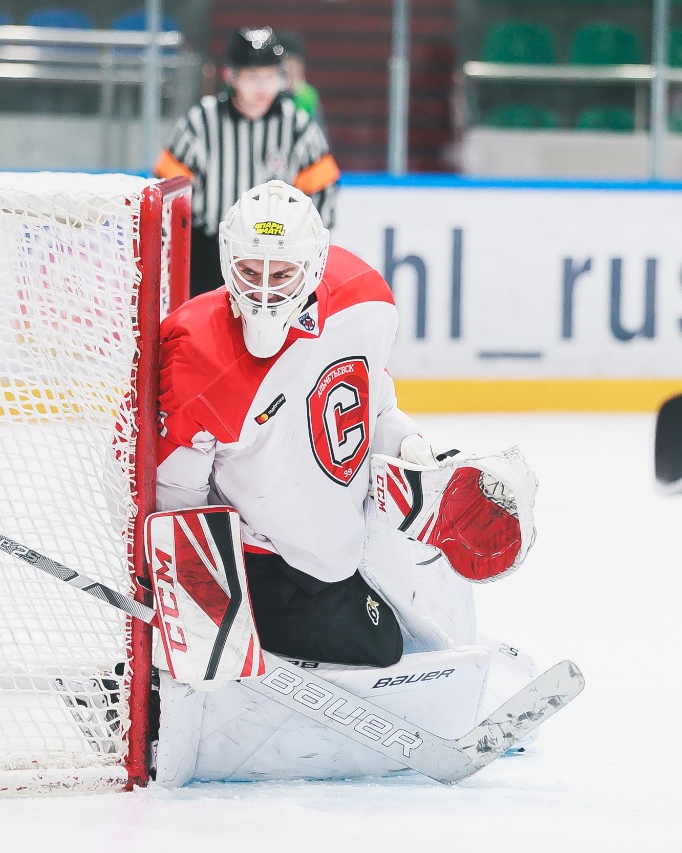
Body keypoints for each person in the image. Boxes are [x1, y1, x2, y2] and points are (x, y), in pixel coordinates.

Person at [150, 181, 541, 785]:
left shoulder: (363, 299)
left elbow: (378, 407)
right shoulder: (199, 353)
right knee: (383, 646)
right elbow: (176, 497)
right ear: (226, 259)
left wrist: (416, 456)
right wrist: (206, 607)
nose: (262, 288)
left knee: (432, 567)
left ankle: (441, 672)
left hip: (345, 530)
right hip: (272, 567)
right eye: (249, 269)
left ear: (315, 262)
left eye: (282, 272)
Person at [153, 26, 340, 297]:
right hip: (208, 258)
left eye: (271, 76)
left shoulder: (297, 125)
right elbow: (167, 195)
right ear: (230, 76)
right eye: (253, 76)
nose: (263, 87)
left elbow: (323, 192)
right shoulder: (200, 123)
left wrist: (306, 251)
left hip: (280, 260)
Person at [276, 29, 324, 128]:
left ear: (300, 65)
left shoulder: (307, 96)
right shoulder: (267, 93)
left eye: (291, 62)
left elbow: (317, 133)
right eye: (283, 61)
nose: (286, 67)